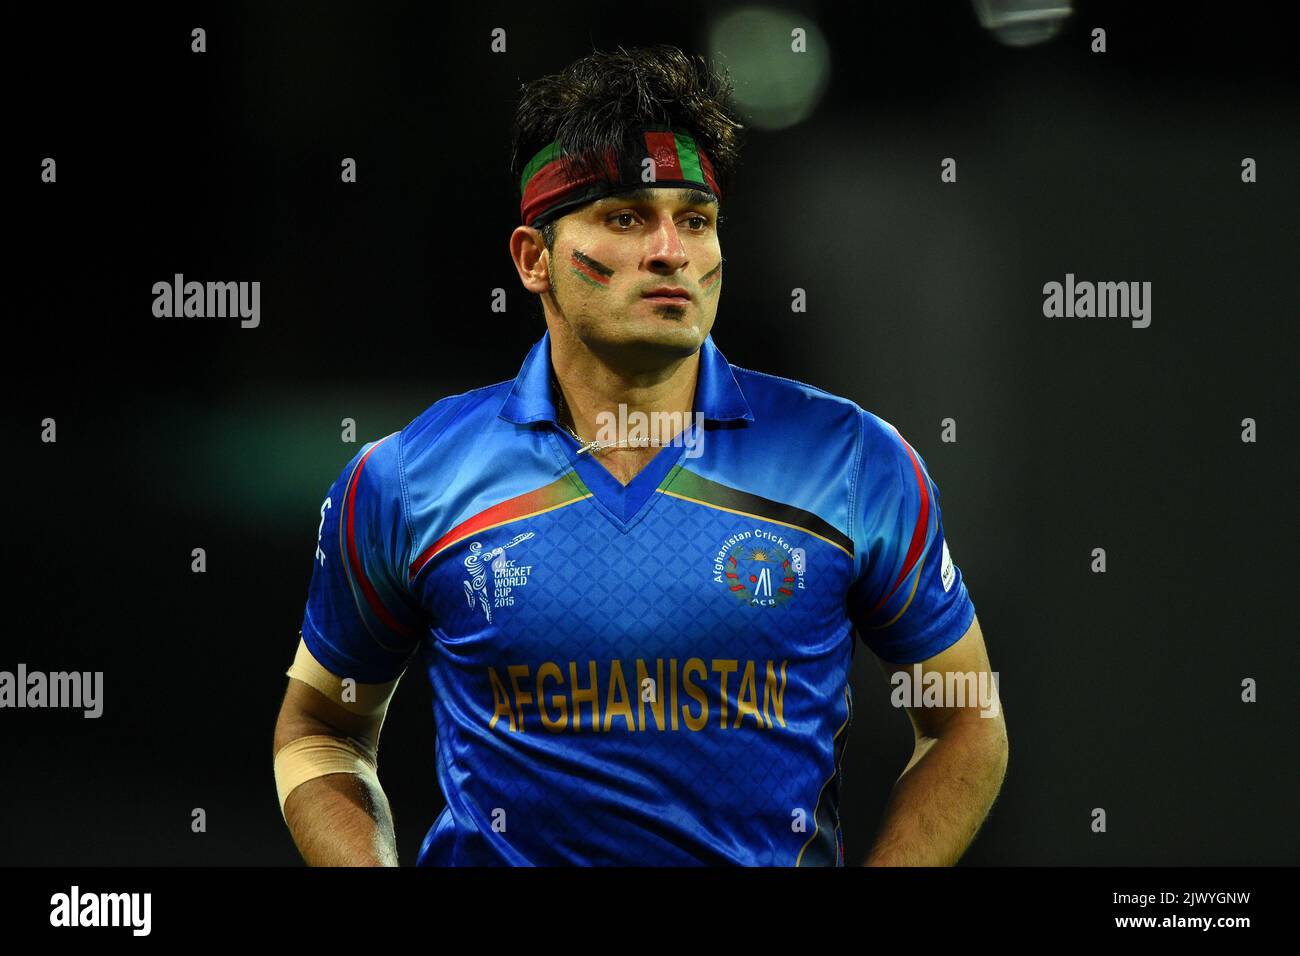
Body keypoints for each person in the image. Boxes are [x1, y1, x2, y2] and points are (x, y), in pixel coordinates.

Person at [272, 44, 1008, 866]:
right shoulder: (409, 477)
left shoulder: (852, 460)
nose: (671, 251)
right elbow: (320, 729)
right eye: (625, 217)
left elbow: (965, 721)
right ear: (532, 259)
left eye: (695, 219)